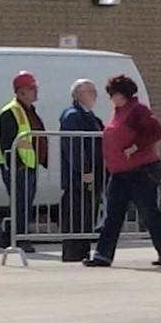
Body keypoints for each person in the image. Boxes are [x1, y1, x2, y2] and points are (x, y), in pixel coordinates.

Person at [87, 71, 161, 267]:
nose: (112, 98)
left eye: (114, 93)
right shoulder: (120, 111)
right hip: (121, 172)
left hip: (141, 170)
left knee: (149, 212)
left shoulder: (137, 110)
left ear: (124, 94)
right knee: (113, 214)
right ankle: (102, 256)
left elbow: (156, 130)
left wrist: (135, 146)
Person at [0, 75, 51, 261]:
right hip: (18, 166)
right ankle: (19, 238)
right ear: (21, 91)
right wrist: (16, 165)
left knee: (24, 202)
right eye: (33, 88)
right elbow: (7, 144)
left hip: (28, 164)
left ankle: (9, 237)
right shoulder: (11, 112)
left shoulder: (28, 110)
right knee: (21, 203)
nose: (36, 91)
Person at [57, 76, 108, 243]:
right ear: (78, 94)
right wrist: (84, 170)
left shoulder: (90, 116)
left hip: (94, 176)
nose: (95, 95)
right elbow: (73, 146)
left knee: (88, 217)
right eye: (90, 91)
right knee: (77, 217)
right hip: (79, 179)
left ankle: (83, 250)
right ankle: (74, 252)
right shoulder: (72, 116)